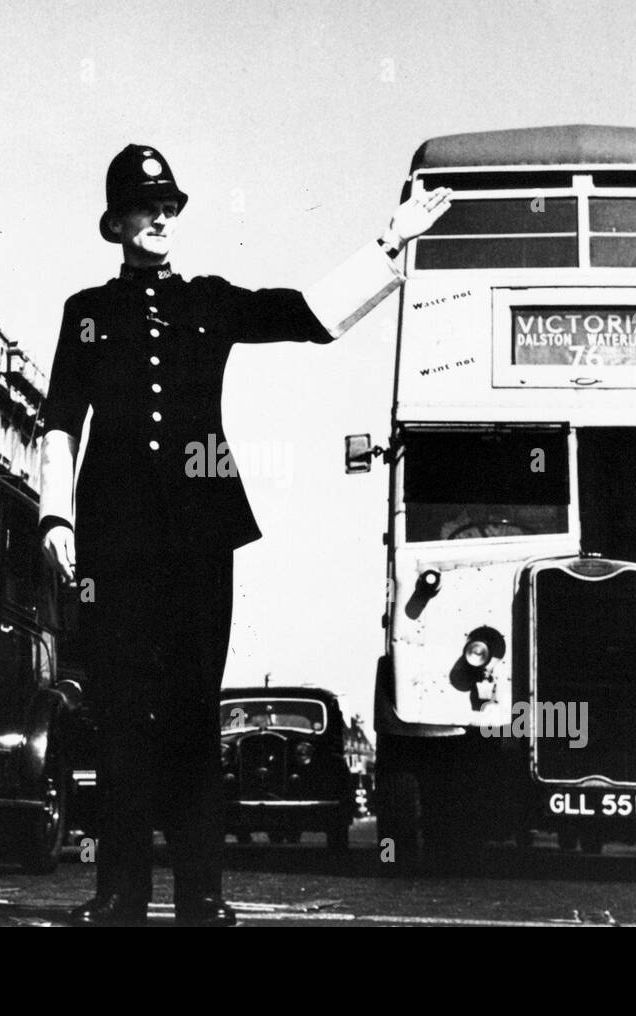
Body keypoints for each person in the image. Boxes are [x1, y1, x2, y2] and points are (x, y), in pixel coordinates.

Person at [39, 143, 452, 926]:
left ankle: (203, 894)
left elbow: (311, 317)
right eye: (145, 205)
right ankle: (118, 892)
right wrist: (55, 515)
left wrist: (389, 242)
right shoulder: (85, 314)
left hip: (202, 534)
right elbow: (59, 422)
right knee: (124, 714)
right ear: (117, 220)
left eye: (170, 205)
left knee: (195, 711)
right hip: (115, 541)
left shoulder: (210, 300)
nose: (161, 216)